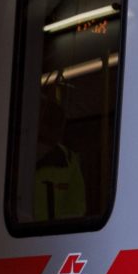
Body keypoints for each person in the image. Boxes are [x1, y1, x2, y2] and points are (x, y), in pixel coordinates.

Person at [32, 89, 87, 223]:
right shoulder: (15, 156)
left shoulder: (68, 160)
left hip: (52, 240)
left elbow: (76, 210)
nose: (52, 127)